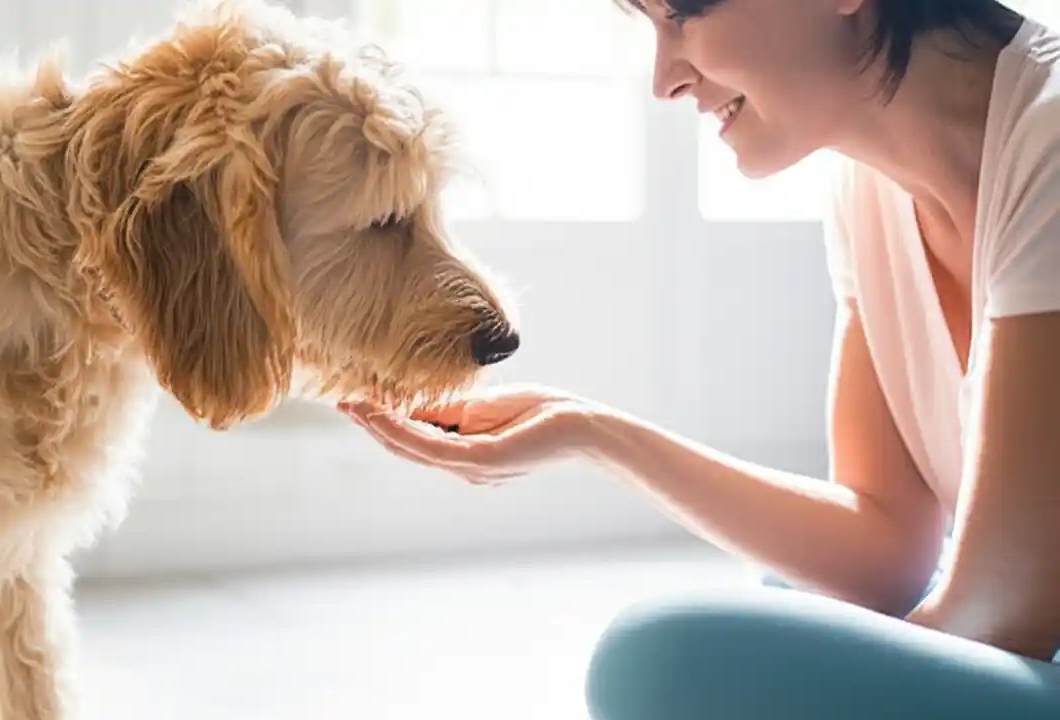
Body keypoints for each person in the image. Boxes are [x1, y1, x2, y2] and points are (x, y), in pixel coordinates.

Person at [339, 0, 1060, 717]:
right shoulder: (864, 189)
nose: (664, 79)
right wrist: (590, 431)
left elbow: (1000, 615)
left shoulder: (1048, 134)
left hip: (1020, 632)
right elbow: (884, 552)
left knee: (660, 662)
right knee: (777, 605)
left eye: (684, 12)